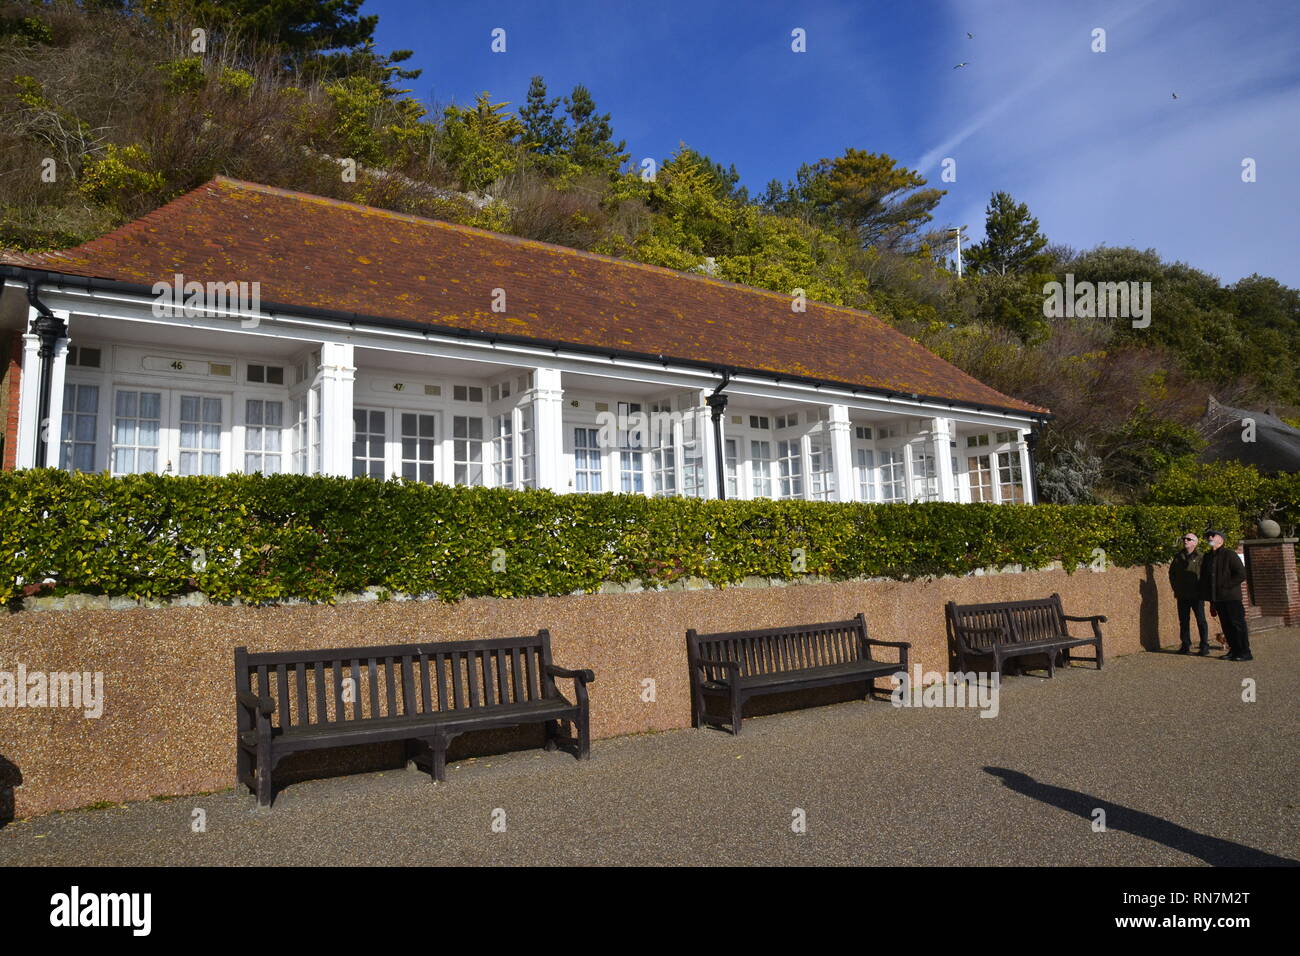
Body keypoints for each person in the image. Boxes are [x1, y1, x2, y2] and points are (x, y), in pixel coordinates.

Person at [1199, 530, 1252, 661]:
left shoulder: (1229, 554)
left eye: (1213, 536)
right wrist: (1211, 600)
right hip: (1217, 598)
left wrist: (1226, 585)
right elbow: (1206, 578)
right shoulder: (1208, 557)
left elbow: (1241, 574)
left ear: (1221, 540)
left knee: (1237, 625)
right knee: (1226, 626)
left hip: (1231, 597)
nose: (1209, 538)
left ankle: (1245, 652)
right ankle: (1233, 651)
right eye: (1208, 536)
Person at [1168, 532, 1209, 655]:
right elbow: (1172, 574)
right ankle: (1185, 645)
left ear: (1195, 543)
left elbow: (1206, 575)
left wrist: (1202, 590)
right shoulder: (1178, 556)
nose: (1185, 541)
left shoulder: (1201, 557)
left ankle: (1204, 646)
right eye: (1184, 539)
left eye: (1189, 539)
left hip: (1197, 595)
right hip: (1182, 594)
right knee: (1183, 620)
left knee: (1201, 620)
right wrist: (1176, 588)